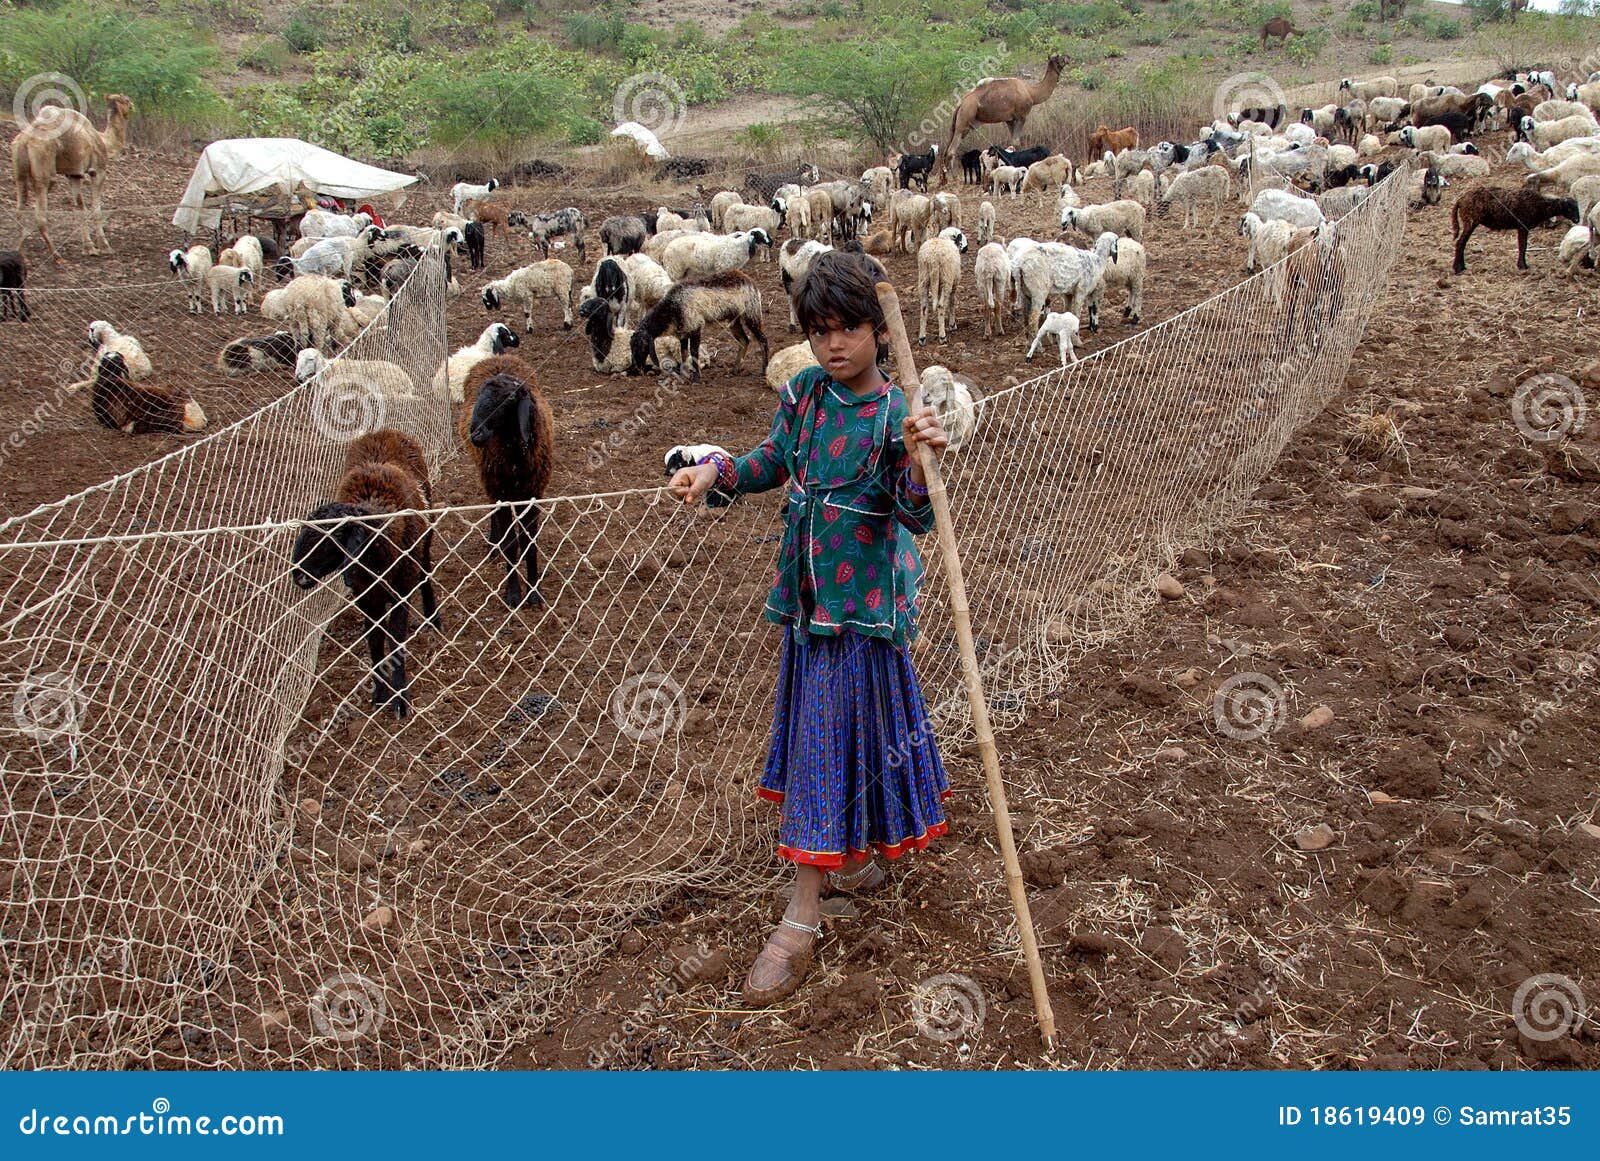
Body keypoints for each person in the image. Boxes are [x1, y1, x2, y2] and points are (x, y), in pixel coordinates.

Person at [667, 250, 952, 1005]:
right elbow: (768, 462)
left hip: (863, 605)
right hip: (808, 602)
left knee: (828, 742)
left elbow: (915, 514)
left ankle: (802, 915)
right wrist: (713, 471)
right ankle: (850, 862)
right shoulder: (804, 396)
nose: (834, 345)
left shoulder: (896, 413)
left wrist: (921, 464)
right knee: (836, 735)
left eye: (849, 329)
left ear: (876, 331)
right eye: (820, 330)